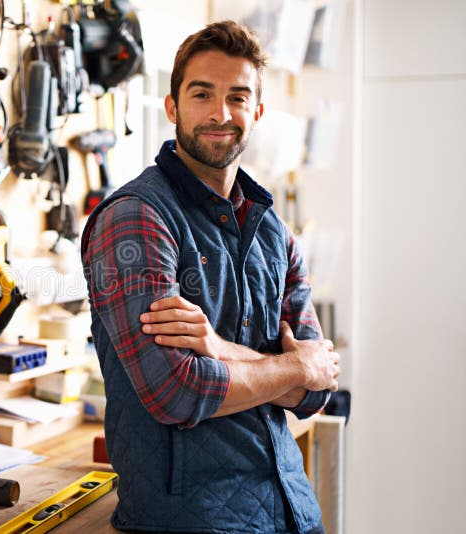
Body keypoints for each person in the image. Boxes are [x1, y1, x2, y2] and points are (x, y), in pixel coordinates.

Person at [80, 20, 340, 534]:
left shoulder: (272, 231)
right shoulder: (136, 218)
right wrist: (294, 368)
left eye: (238, 97)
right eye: (203, 94)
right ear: (172, 106)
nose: (221, 113)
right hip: (187, 520)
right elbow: (177, 391)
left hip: (294, 511)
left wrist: (218, 348)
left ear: (257, 112)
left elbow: (319, 391)